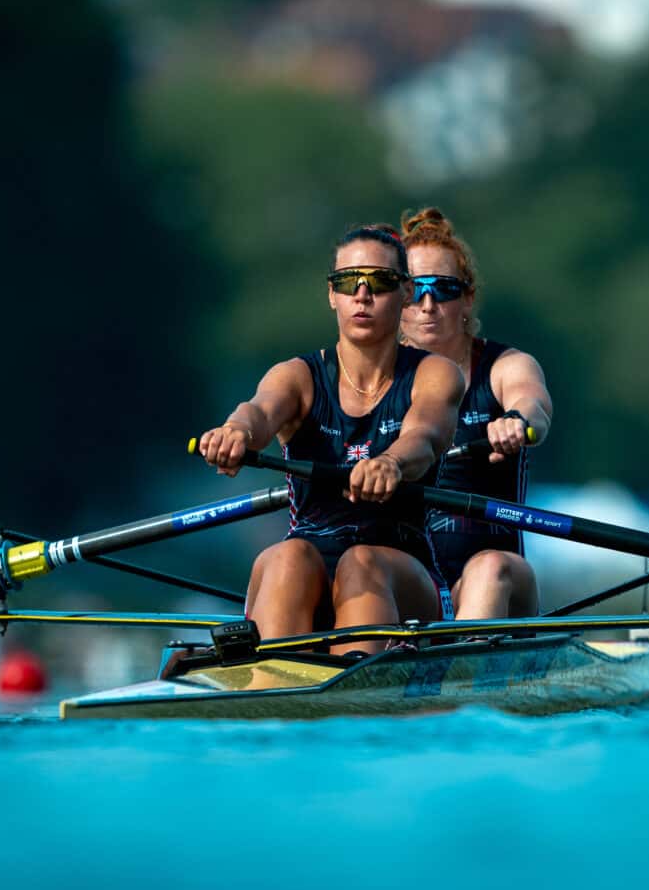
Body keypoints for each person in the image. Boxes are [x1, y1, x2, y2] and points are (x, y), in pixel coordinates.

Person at [196, 224, 465, 654]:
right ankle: (276, 686)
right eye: (348, 282)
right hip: (308, 565)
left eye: (378, 281)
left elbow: (425, 436)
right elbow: (259, 412)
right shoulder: (298, 377)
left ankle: (350, 683)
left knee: (362, 562)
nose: (362, 294)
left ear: (407, 293)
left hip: (402, 573)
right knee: (284, 557)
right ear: (331, 295)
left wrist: (392, 463)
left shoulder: (434, 375)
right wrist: (235, 433)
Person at [399, 207, 553, 620]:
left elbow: (533, 404)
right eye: (414, 288)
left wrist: (518, 423)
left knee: (489, 567)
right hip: (414, 587)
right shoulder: (376, 380)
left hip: (497, 584)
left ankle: (459, 670)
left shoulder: (504, 366)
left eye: (444, 289)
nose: (428, 304)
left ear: (467, 299)